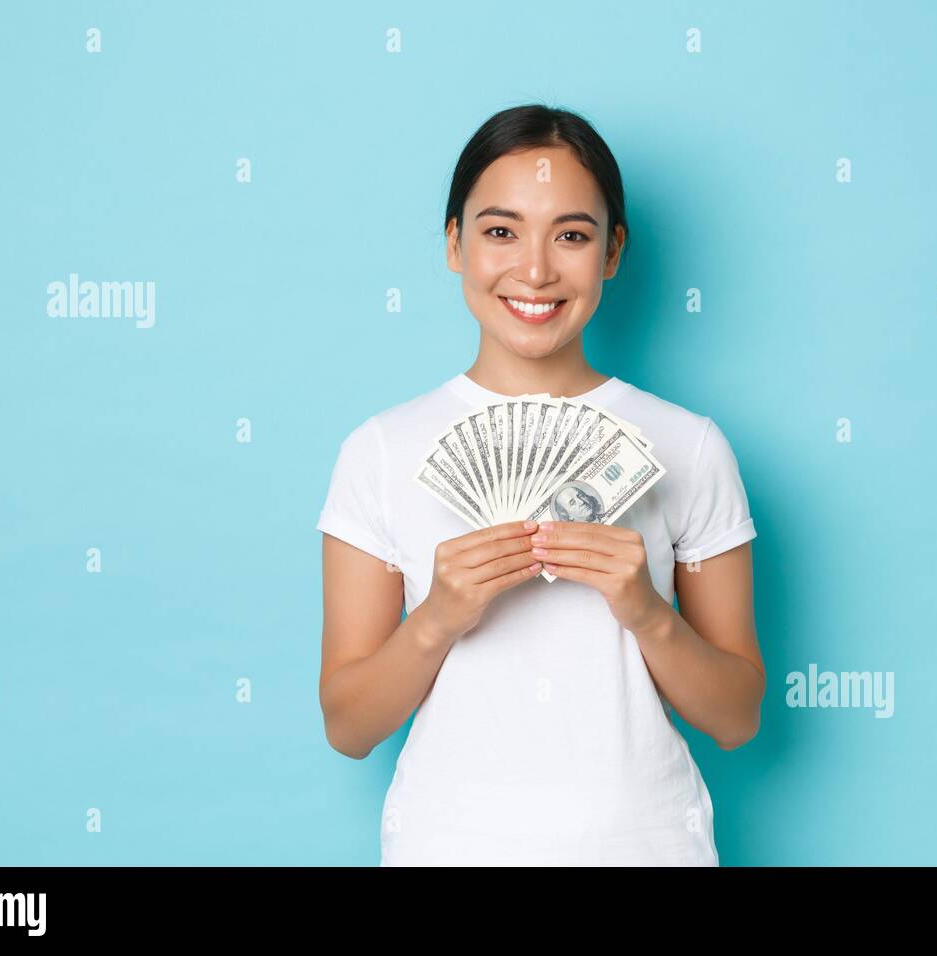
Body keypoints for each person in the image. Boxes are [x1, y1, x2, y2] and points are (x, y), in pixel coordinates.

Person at [316, 104, 765, 866]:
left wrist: (648, 614)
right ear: (454, 243)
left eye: (572, 234)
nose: (535, 269)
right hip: (448, 846)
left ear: (612, 251)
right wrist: (438, 618)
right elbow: (348, 727)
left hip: (646, 845)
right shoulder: (381, 451)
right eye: (500, 231)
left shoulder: (690, 445)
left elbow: (737, 717)